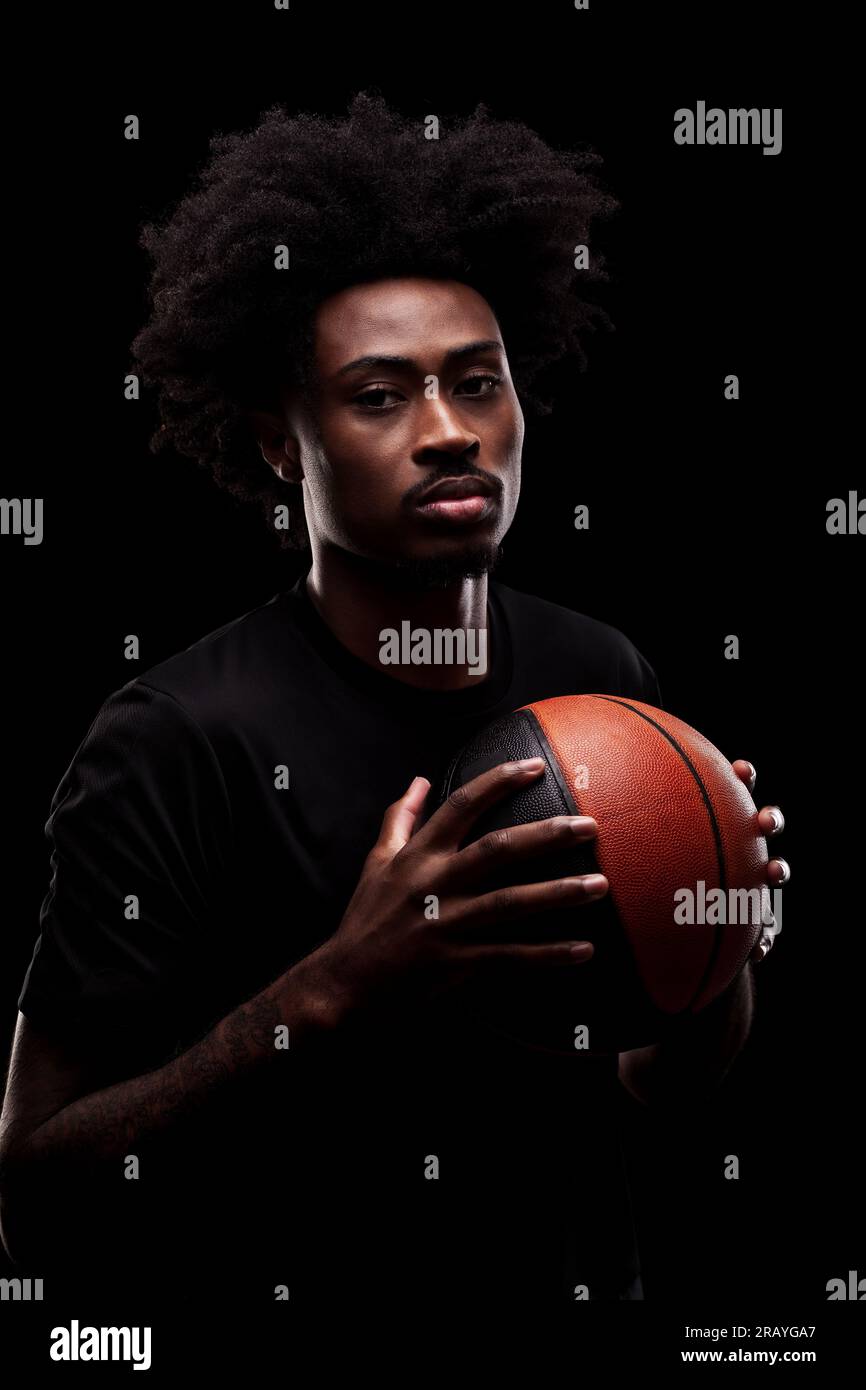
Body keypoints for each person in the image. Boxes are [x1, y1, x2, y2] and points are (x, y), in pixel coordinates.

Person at [0, 94, 787, 1312]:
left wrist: (717, 930)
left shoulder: (606, 677)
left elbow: (658, 1083)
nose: (446, 434)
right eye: (379, 396)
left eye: (476, 384)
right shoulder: (172, 739)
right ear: (280, 442)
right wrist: (334, 987)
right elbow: (42, 1193)